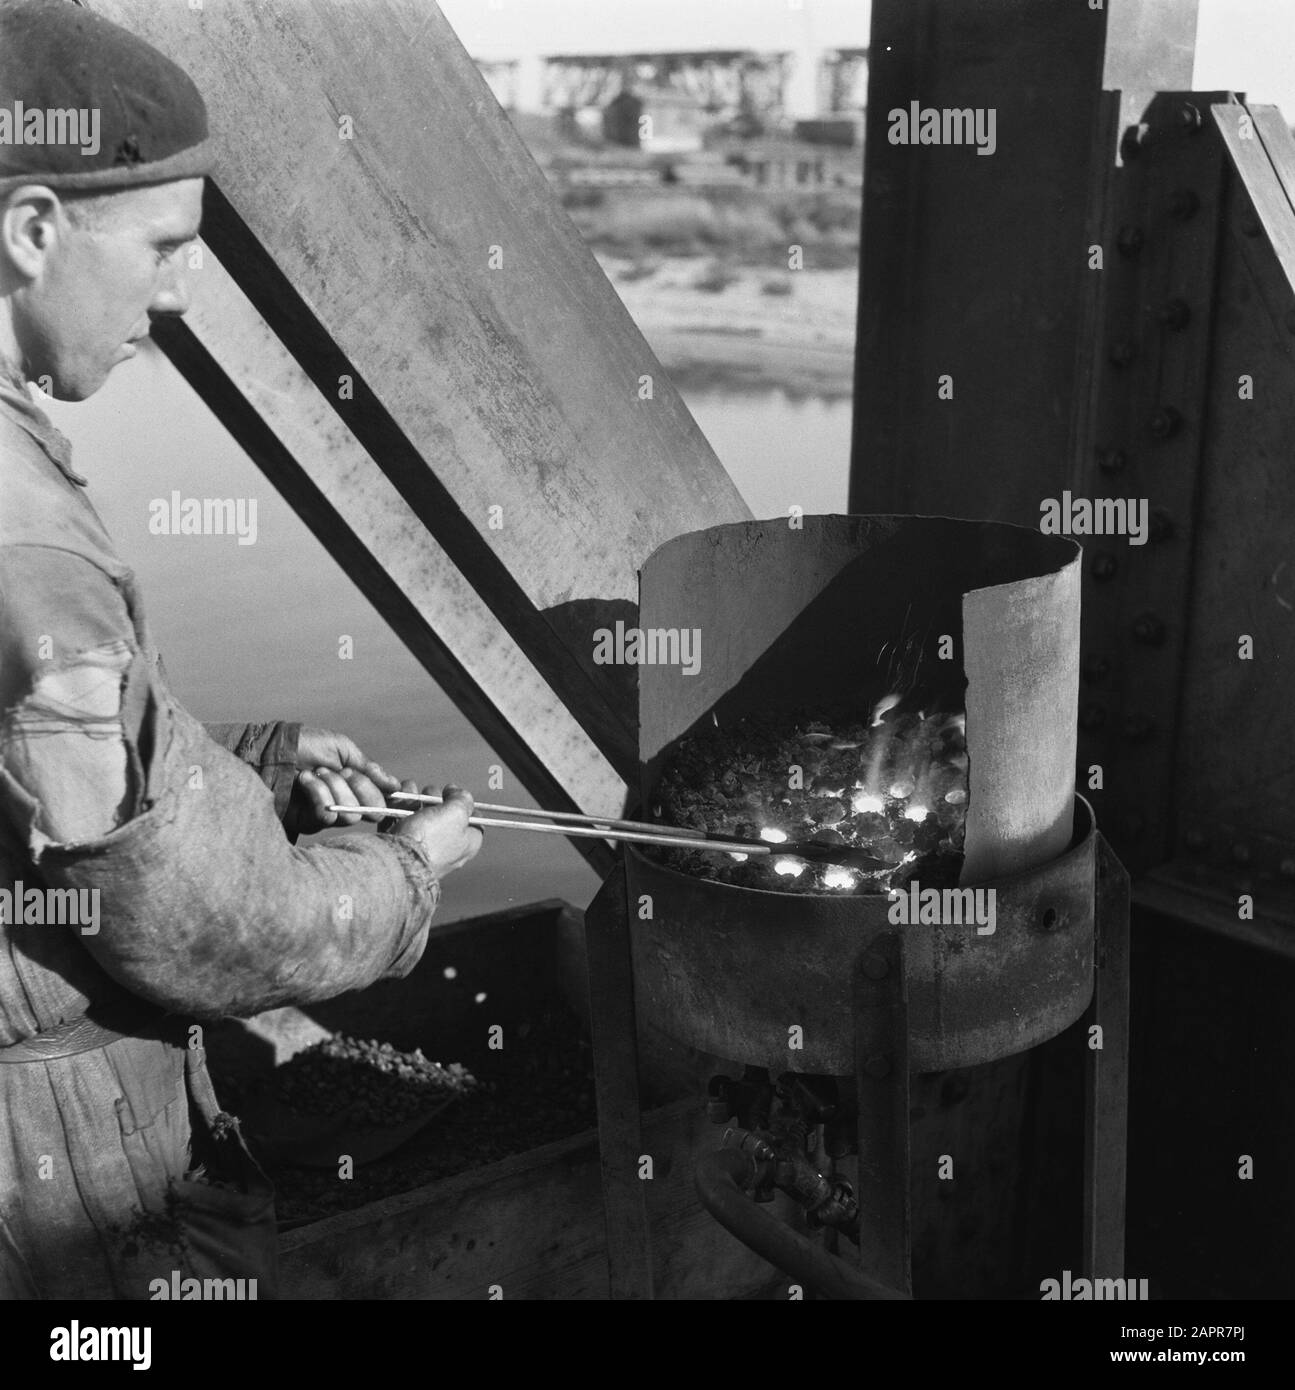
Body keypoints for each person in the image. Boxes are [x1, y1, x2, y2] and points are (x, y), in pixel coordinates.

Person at [0, 0, 482, 1298]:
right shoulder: (23, 536)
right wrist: (392, 875)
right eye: (162, 242)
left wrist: (254, 771)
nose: (183, 286)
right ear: (34, 229)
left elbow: (56, 788)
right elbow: (167, 917)